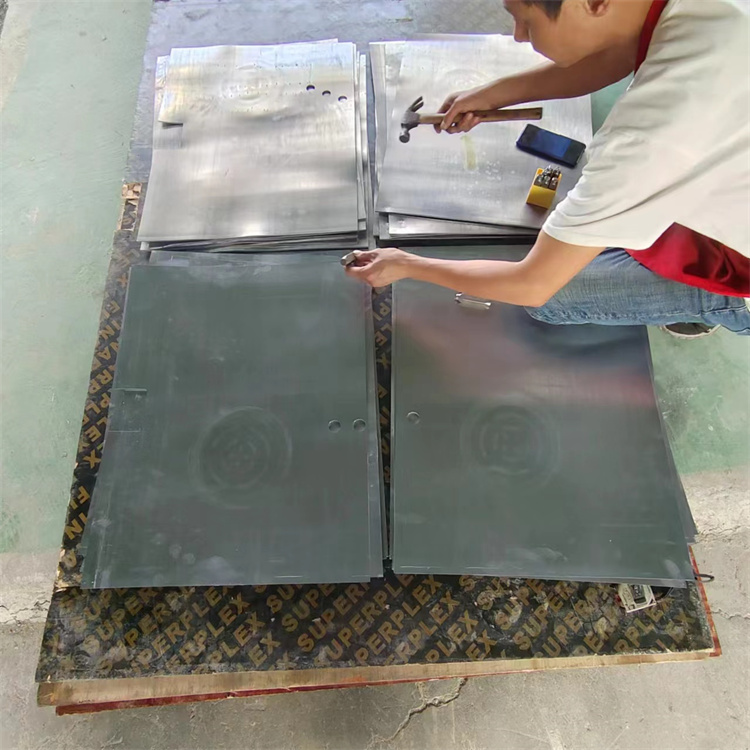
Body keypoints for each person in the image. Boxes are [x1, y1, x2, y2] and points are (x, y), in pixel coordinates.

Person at [347, 0, 750, 337]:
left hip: (739, 265)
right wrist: (494, 95)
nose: (519, 35)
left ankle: (715, 306)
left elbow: (532, 284)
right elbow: (620, 53)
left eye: (526, 20)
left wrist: (408, 264)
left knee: (553, 299)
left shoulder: (643, 140)